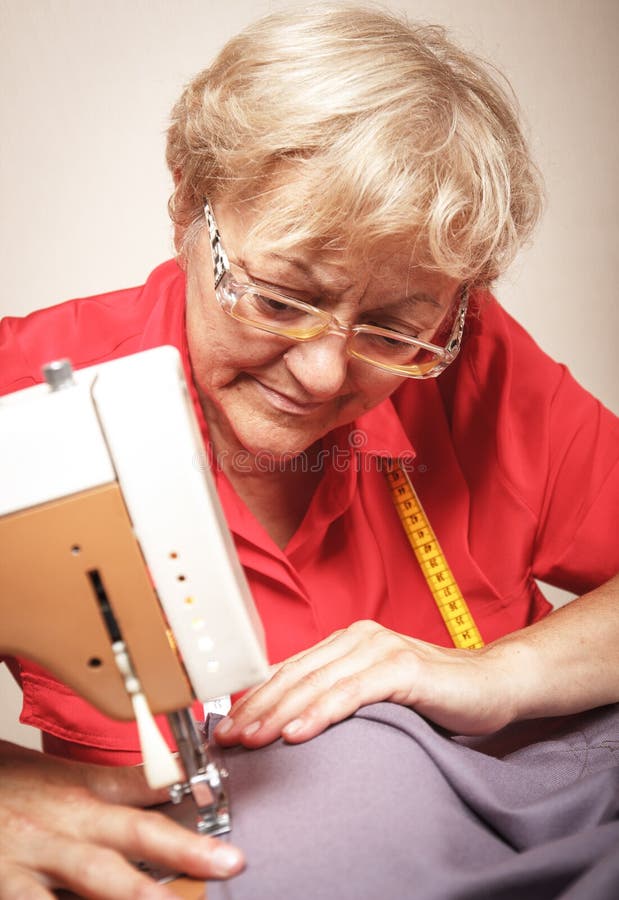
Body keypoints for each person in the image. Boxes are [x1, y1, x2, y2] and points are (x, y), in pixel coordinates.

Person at [0, 3, 617, 898]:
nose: (326, 375)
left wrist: (501, 674)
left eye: (392, 329)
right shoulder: (18, 401)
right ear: (187, 198)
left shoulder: (468, 365)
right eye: (282, 298)